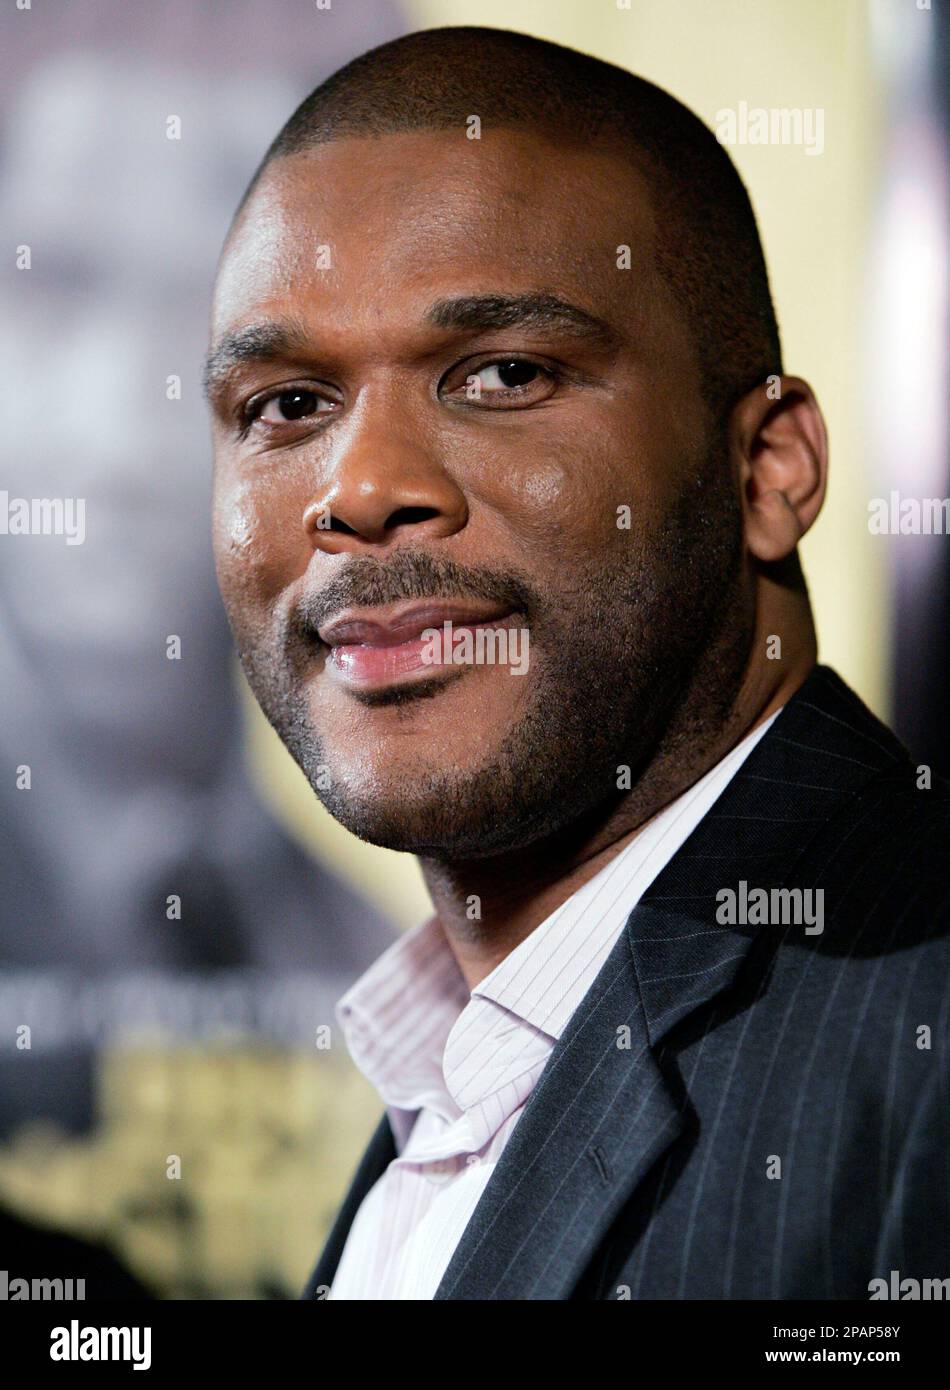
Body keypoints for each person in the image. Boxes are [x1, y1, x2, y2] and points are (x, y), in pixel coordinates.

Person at [204, 27, 950, 1300]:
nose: (362, 488)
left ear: (769, 468)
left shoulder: (915, 1033)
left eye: (501, 374)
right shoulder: (453, 1075)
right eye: (287, 405)